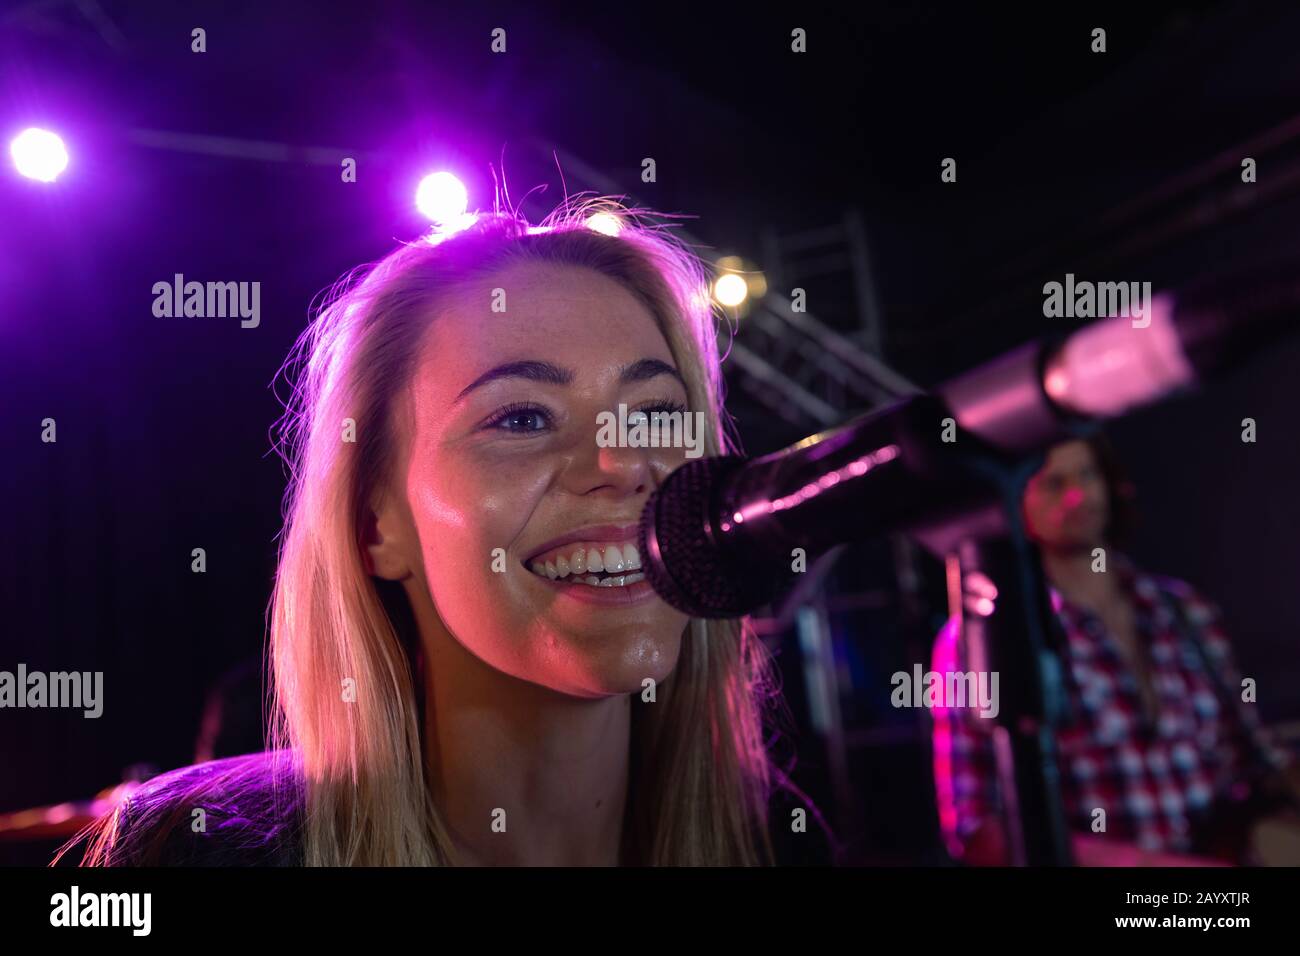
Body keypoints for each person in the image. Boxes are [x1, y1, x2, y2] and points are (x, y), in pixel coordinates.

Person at [56, 199, 837, 867]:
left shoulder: (773, 840)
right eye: (523, 417)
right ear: (373, 527)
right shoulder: (200, 850)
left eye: (658, 413)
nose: (625, 462)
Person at [931, 434, 1297, 866]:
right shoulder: (979, 641)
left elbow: (1254, 762)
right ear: (1013, 502)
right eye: (1053, 483)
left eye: (1087, 474)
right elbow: (979, 834)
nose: (1078, 494)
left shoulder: (1181, 610)